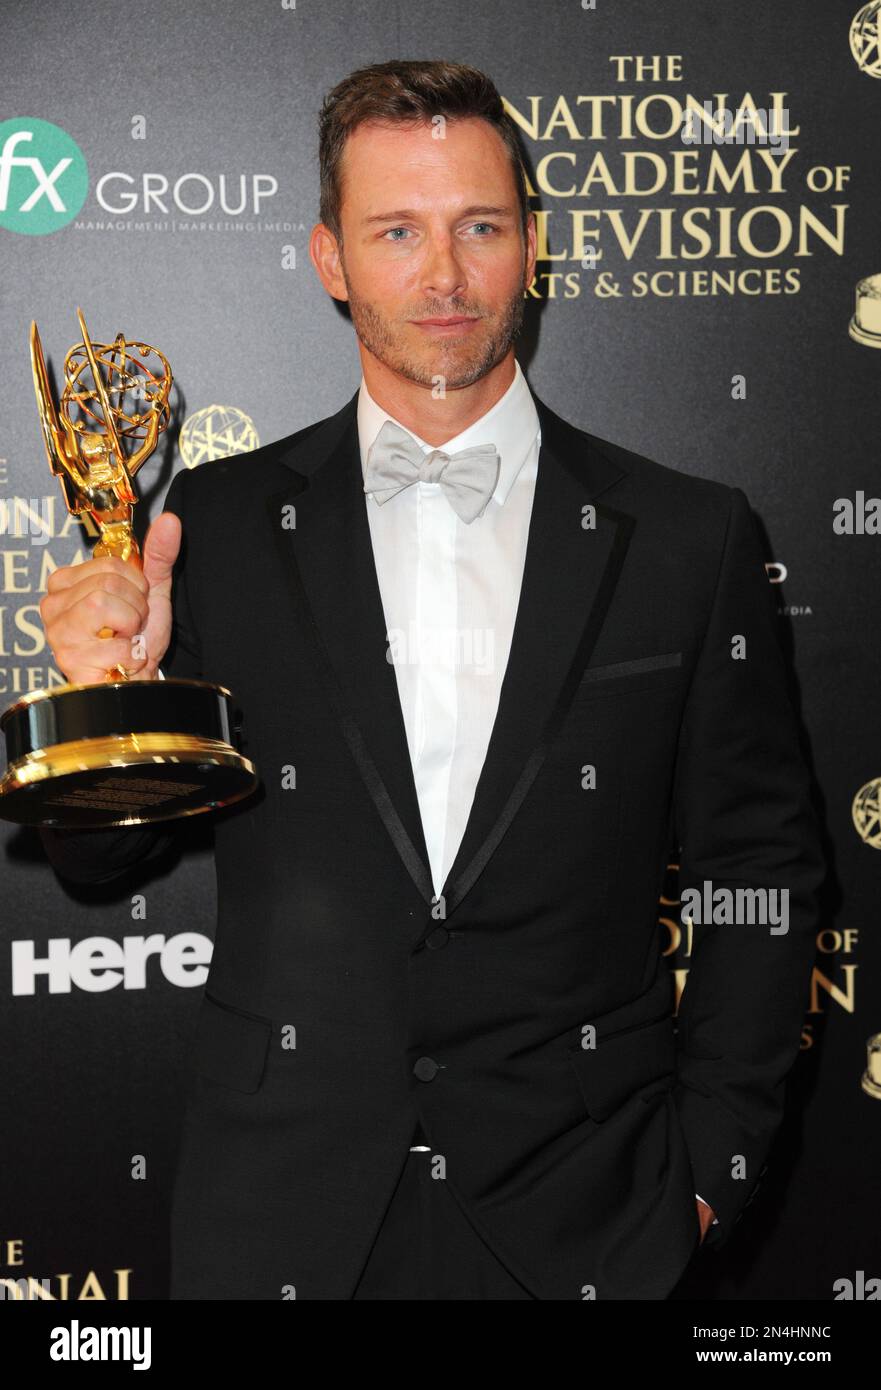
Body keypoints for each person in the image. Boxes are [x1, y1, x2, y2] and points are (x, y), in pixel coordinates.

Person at [37, 60, 824, 1300]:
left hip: (591, 1212)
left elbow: (759, 875)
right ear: (330, 259)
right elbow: (98, 864)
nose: (444, 277)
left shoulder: (690, 534)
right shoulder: (221, 525)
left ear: (533, 246)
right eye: (395, 232)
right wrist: (98, 696)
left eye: (479, 227)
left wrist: (709, 1165)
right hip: (278, 1214)